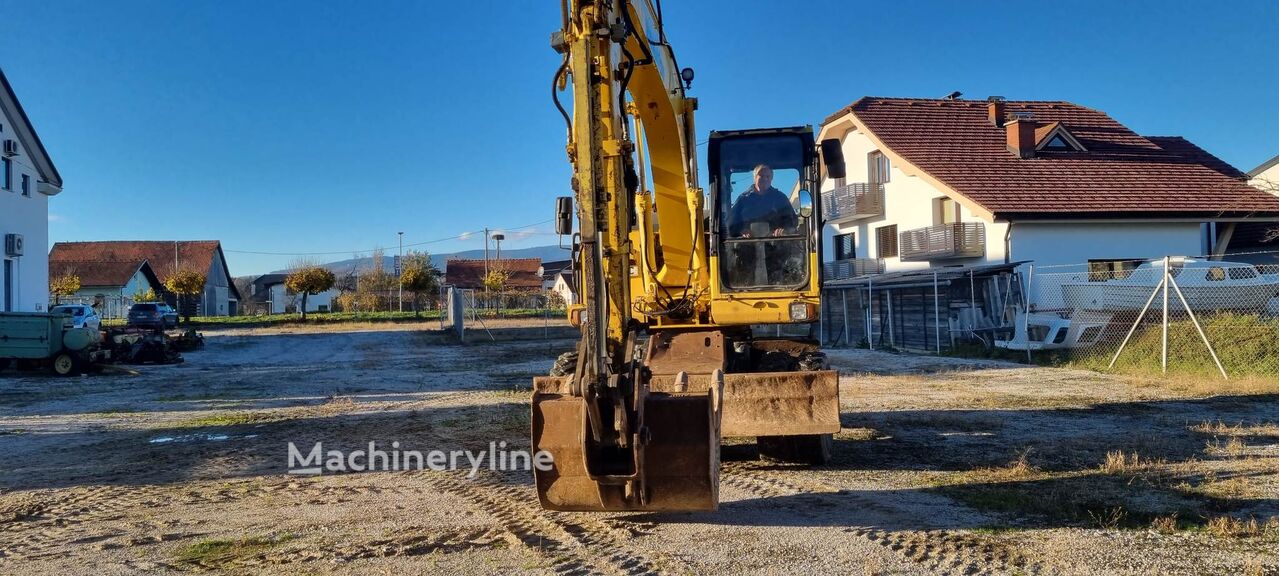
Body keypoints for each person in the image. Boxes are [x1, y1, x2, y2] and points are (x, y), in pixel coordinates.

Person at [727, 164, 797, 238]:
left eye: (767, 176)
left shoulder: (781, 198)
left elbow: (793, 221)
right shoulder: (743, 199)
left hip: (776, 244)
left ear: (771, 179)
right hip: (747, 244)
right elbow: (731, 224)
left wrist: (784, 229)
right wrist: (741, 231)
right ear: (755, 177)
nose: (765, 179)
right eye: (761, 175)